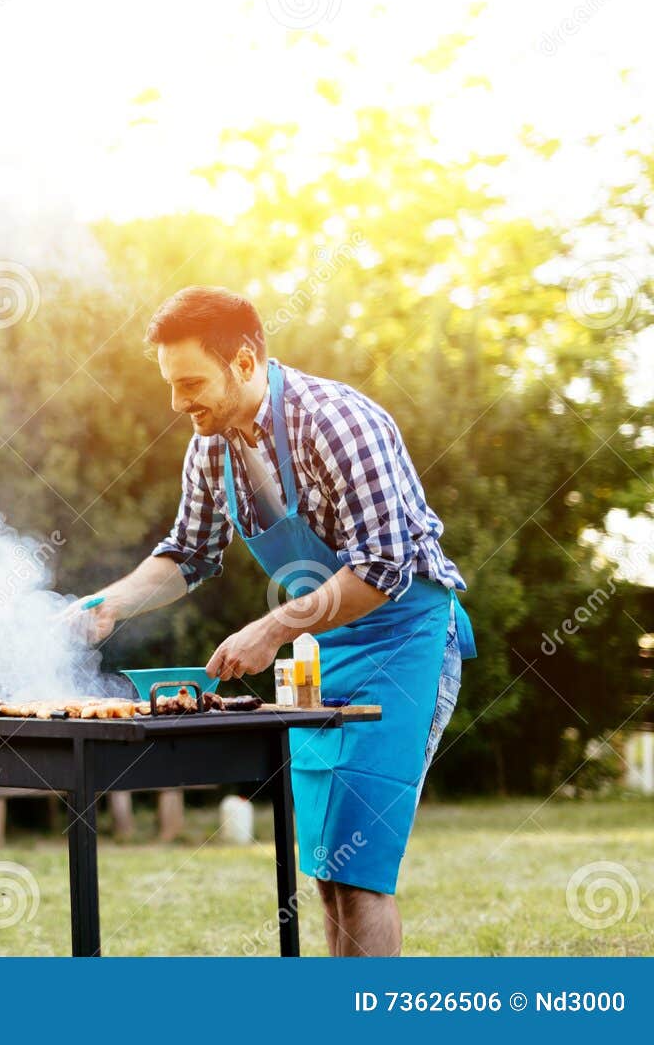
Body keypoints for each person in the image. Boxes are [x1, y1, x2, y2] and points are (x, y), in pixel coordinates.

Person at [65, 286, 476, 957]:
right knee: (326, 868)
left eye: (192, 382)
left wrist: (271, 629)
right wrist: (106, 604)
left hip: (404, 639)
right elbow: (187, 555)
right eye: (171, 385)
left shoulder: (338, 422)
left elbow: (382, 567)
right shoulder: (210, 449)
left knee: (362, 871)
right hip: (321, 655)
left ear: (247, 362)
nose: (178, 402)